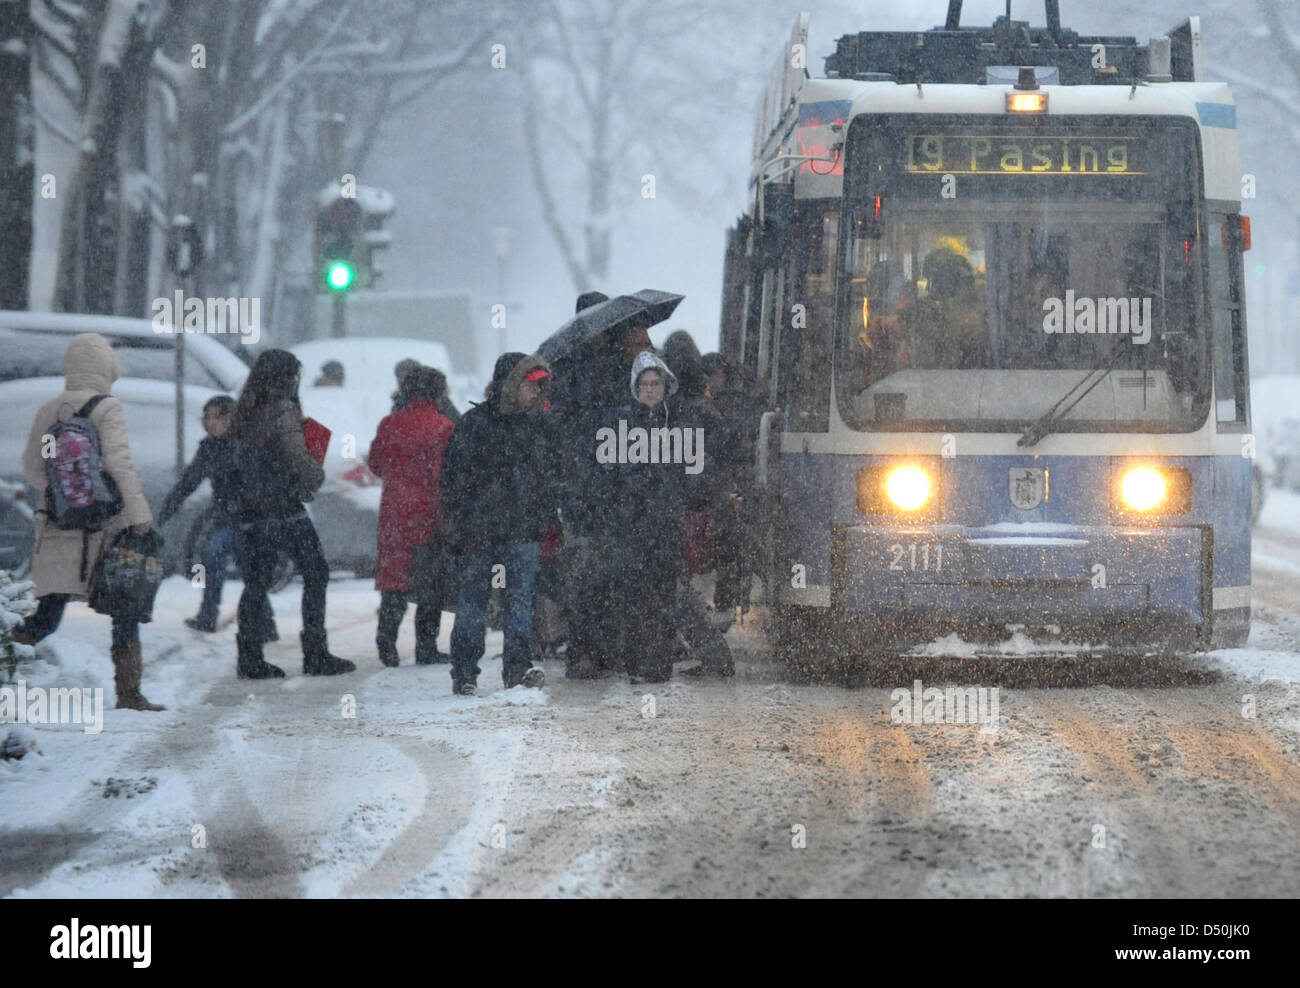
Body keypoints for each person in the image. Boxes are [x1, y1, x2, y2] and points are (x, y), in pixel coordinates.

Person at [15, 333, 163, 710]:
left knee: (47, 616)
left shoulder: (48, 410)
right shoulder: (107, 408)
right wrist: (140, 516)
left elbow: (34, 470)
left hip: (58, 526)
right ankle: (129, 694)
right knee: (124, 607)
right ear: (105, 368)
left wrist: (67, 491)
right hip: (104, 527)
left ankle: (9, 655)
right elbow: (119, 465)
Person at [230, 349, 355, 679]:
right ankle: (315, 652)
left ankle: (249, 655)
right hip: (284, 507)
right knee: (316, 574)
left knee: (256, 581)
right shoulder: (282, 409)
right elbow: (297, 457)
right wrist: (315, 476)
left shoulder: (246, 409)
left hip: (253, 508)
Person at [441, 352, 558, 694]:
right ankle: (465, 673)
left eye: (541, 386)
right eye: (531, 385)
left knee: (515, 603)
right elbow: (453, 480)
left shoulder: (536, 425)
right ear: (512, 384)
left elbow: (548, 476)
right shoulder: (475, 425)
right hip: (483, 533)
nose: (537, 393)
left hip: (520, 530)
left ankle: (516, 668)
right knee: (476, 603)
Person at [155, 395, 277, 638]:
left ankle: (259, 623)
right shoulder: (209, 448)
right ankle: (212, 615)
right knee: (217, 557)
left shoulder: (249, 444)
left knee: (243, 568)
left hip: (252, 519)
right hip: (227, 517)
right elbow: (188, 482)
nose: (212, 423)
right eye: (208, 417)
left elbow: (263, 483)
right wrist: (164, 512)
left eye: (218, 417)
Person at [369, 366, 456, 667]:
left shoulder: (389, 424)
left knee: (394, 581)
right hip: (428, 515)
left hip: (393, 513)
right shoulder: (442, 427)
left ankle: (386, 640)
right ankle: (426, 646)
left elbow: (376, 465)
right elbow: (444, 476)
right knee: (428, 584)